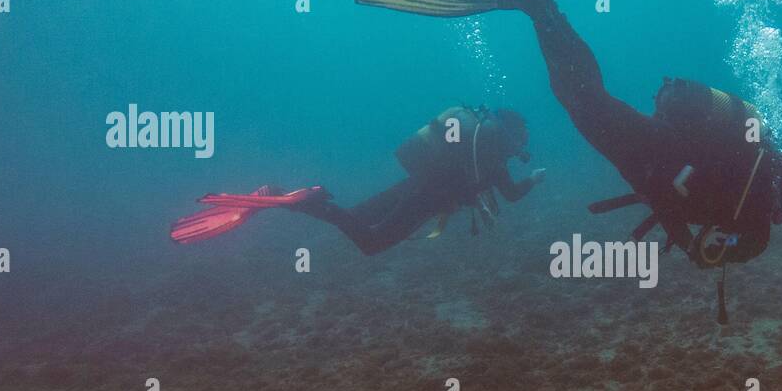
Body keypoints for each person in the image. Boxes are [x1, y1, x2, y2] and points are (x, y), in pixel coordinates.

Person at [354, 0, 782, 271]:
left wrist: (693, 242)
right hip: (662, 155)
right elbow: (731, 246)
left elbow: (685, 213)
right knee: (588, 101)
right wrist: (699, 249)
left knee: (582, 102)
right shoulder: (757, 207)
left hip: (655, 162)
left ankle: (535, 1)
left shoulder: (752, 184)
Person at [171, 106, 544, 253]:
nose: (522, 146)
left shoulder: (480, 144)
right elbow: (511, 195)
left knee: (356, 216)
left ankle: (285, 195)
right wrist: (535, 180)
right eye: (522, 139)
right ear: (511, 134)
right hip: (429, 195)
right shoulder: (494, 156)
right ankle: (301, 199)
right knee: (371, 242)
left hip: (417, 183)